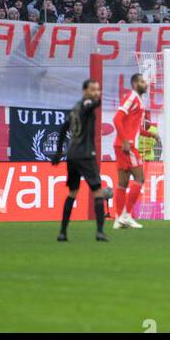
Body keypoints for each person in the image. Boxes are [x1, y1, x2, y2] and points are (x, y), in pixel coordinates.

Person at [51, 79, 110, 242]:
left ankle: (62, 232)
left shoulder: (75, 108)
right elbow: (89, 106)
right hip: (85, 154)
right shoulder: (86, 104)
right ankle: (100, 232)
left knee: (72, 192)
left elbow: (63, 128)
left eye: (97, 89)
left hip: (72, 155)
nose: (96, 92)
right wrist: (96, 102)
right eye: (92, 89)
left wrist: (58, 151)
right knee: (98, 191)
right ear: (84, 91)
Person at [112, 72, 157, 229]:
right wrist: (125, 140)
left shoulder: (138, 100)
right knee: (140, 178)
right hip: (127, 145)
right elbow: (116, 118)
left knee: (123, 183)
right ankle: (127, 215)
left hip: (122, 144)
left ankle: (118, 220)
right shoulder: (132, 97)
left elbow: (133, 126)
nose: (146, 84)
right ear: (135, 84)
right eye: (143, 81)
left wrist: (149, 134)